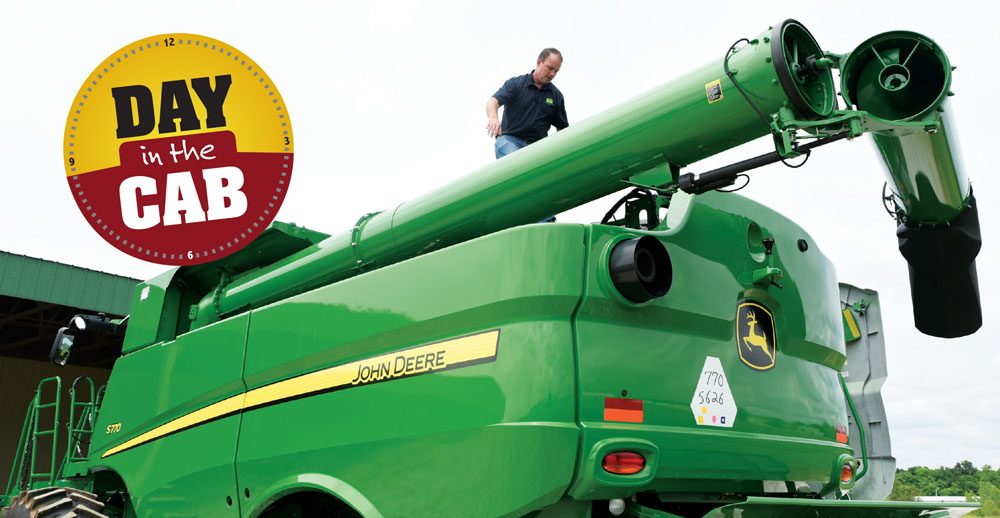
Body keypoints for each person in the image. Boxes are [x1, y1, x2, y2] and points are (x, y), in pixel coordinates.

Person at [486, 48, 568, 159]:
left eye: (556, 71)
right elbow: (493, 101)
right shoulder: (516, 84)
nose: (552, 74)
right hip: (510, 141)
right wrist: (493, 118)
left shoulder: (556, 96)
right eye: (550, 68)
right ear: (539, 62)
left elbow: (563, 130)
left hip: (539, 148)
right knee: (516, 160)